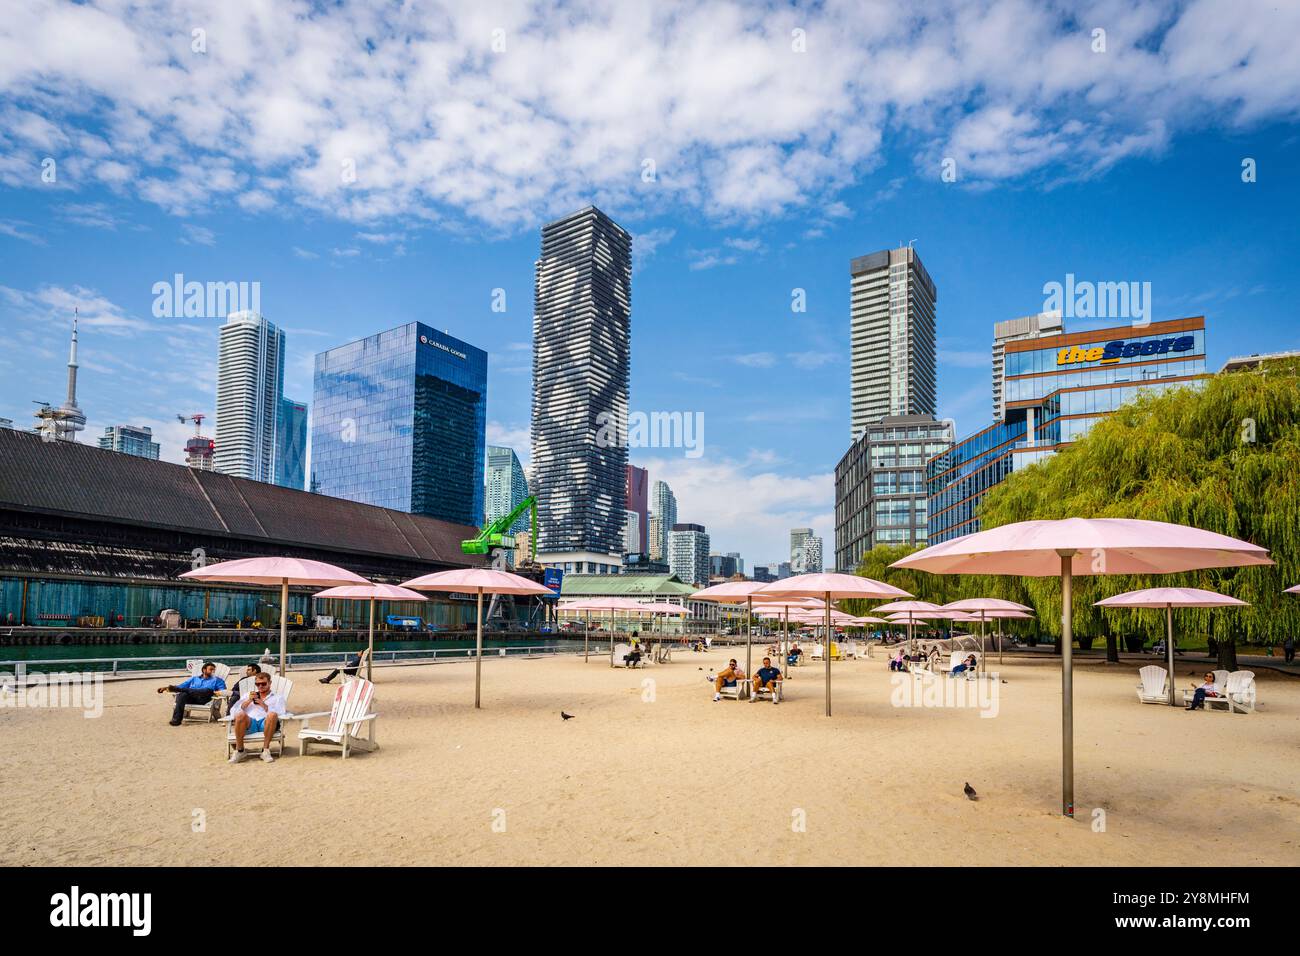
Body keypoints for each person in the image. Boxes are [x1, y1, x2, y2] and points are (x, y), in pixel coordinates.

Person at [228, 672, 288, 763]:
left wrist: (264, 705)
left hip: (266, 723)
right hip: (250, 723)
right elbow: (233, 711)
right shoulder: (248, 695)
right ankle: (240, 751)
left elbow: (281, 712)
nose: (260, 686)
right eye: (258, 684)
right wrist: (248, 701)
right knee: (240, 715)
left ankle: (265, 750)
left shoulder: (278, 697)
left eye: (263, 684)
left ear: (270, 683)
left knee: (272, 715)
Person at [157, 662, 226, 726]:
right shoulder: (194, 678)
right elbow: (182, 686)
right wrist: (165, 688)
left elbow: (223, 690)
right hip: (191, 698)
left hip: (205, 699)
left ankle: (177, 689)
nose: (213, 671)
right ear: (204, 670)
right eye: (211, 669)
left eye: (214, 670)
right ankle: (176, 721)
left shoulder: (217, 680)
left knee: (207, 690)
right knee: (182, 694)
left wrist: (216, 692)